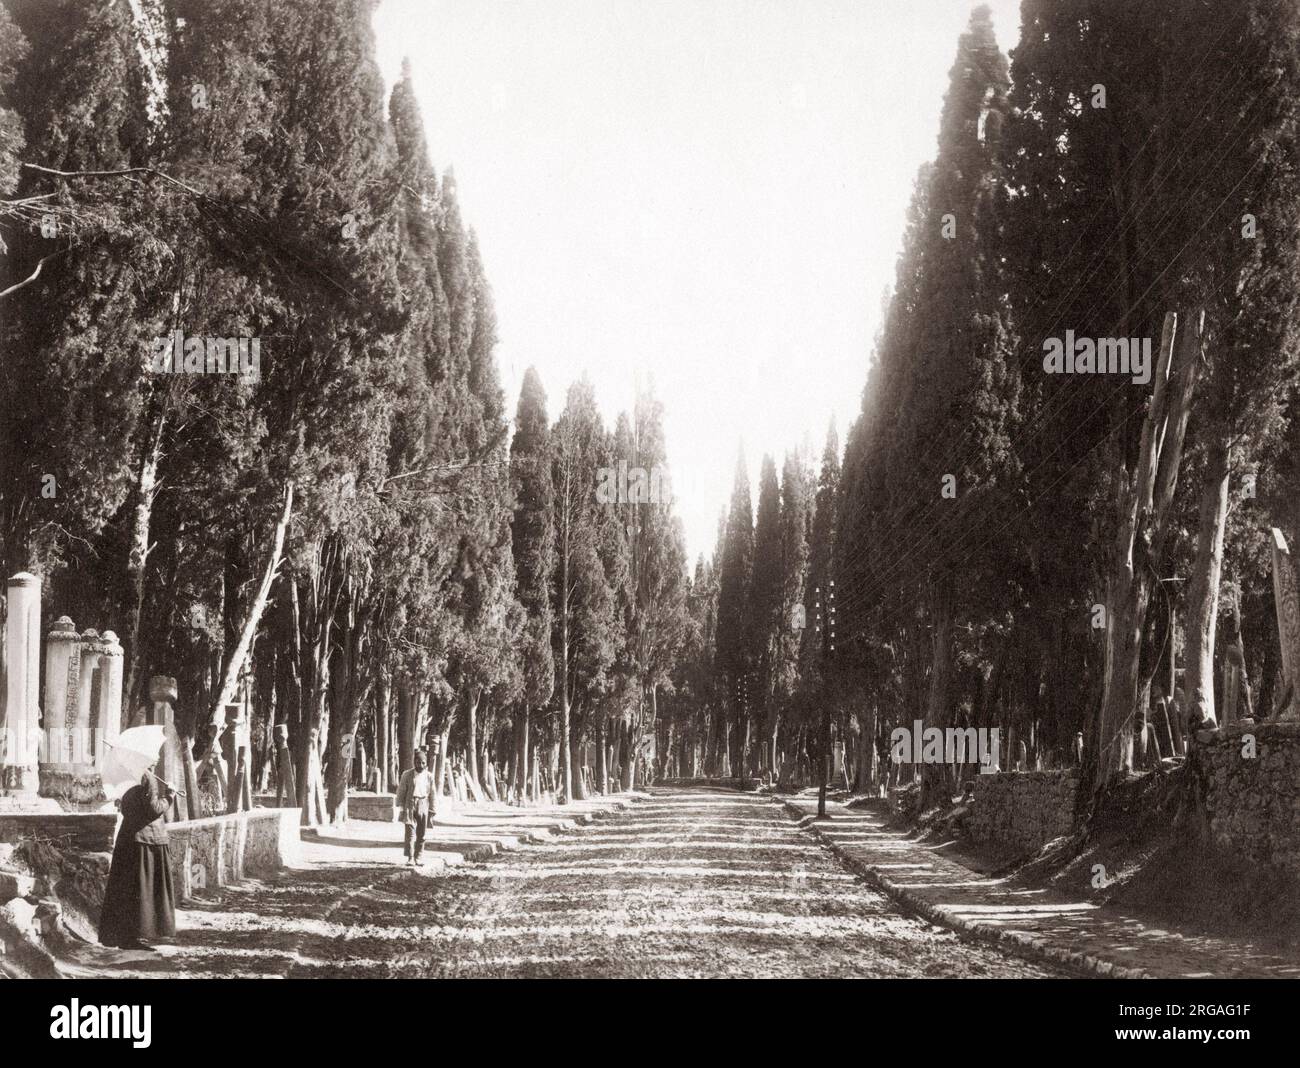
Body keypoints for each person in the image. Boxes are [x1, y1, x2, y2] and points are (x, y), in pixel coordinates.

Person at [98, 771, 177, 950]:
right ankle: (139, 935)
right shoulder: (148, 778)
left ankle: (126, 936)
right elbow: (154, 809)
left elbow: (125, 808)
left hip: (128, 839)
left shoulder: (128, 778)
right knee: (143, 888)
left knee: (129, 888)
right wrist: (170, 796)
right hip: (146, 839)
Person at [395, 748, 437, 866]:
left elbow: (433, 793)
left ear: (426, 763)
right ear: (414, 762)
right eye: (418, 762)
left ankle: (419, 856)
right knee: (409, 832)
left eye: (423, 763)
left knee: (421, 833)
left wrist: (433, 809)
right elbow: (401, 791)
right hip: (410, 804)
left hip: (423, 804)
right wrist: (401, 806)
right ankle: (410, 857)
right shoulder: (407, 775)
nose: (421, 765)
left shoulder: (429, 776)